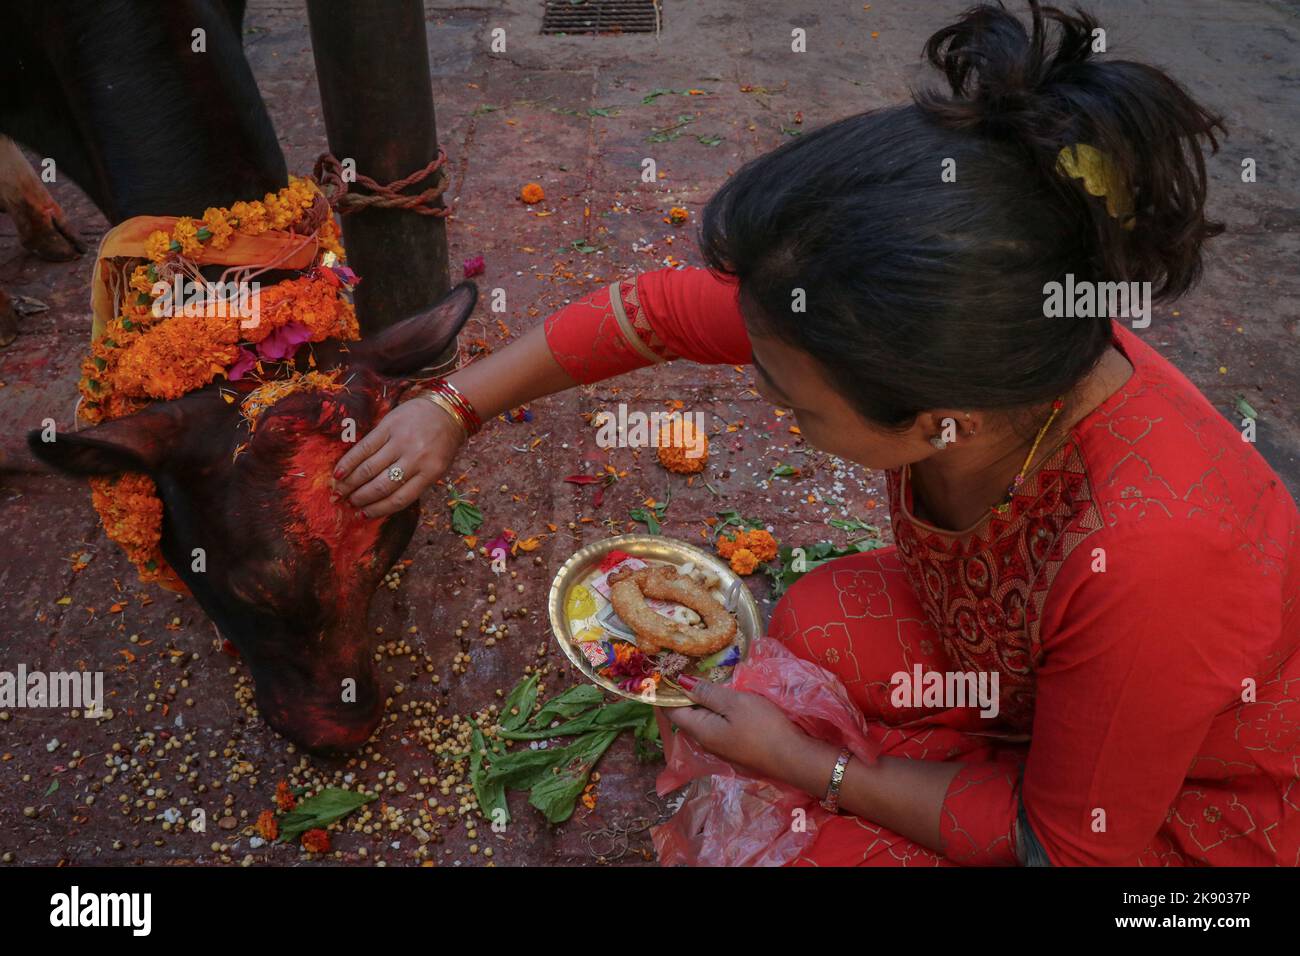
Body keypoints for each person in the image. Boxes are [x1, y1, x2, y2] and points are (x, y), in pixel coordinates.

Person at [333, 1, 1298, 865]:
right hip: (1023, 671)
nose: (770, 401)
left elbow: (1065, 846)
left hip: (1186, 812)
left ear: (940, 424)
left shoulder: (1155, 558)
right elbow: (660, 312)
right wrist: (451, 407)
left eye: (796, 408)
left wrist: (810, 767)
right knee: (805, 629)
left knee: (813, 844)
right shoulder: (951, 333)